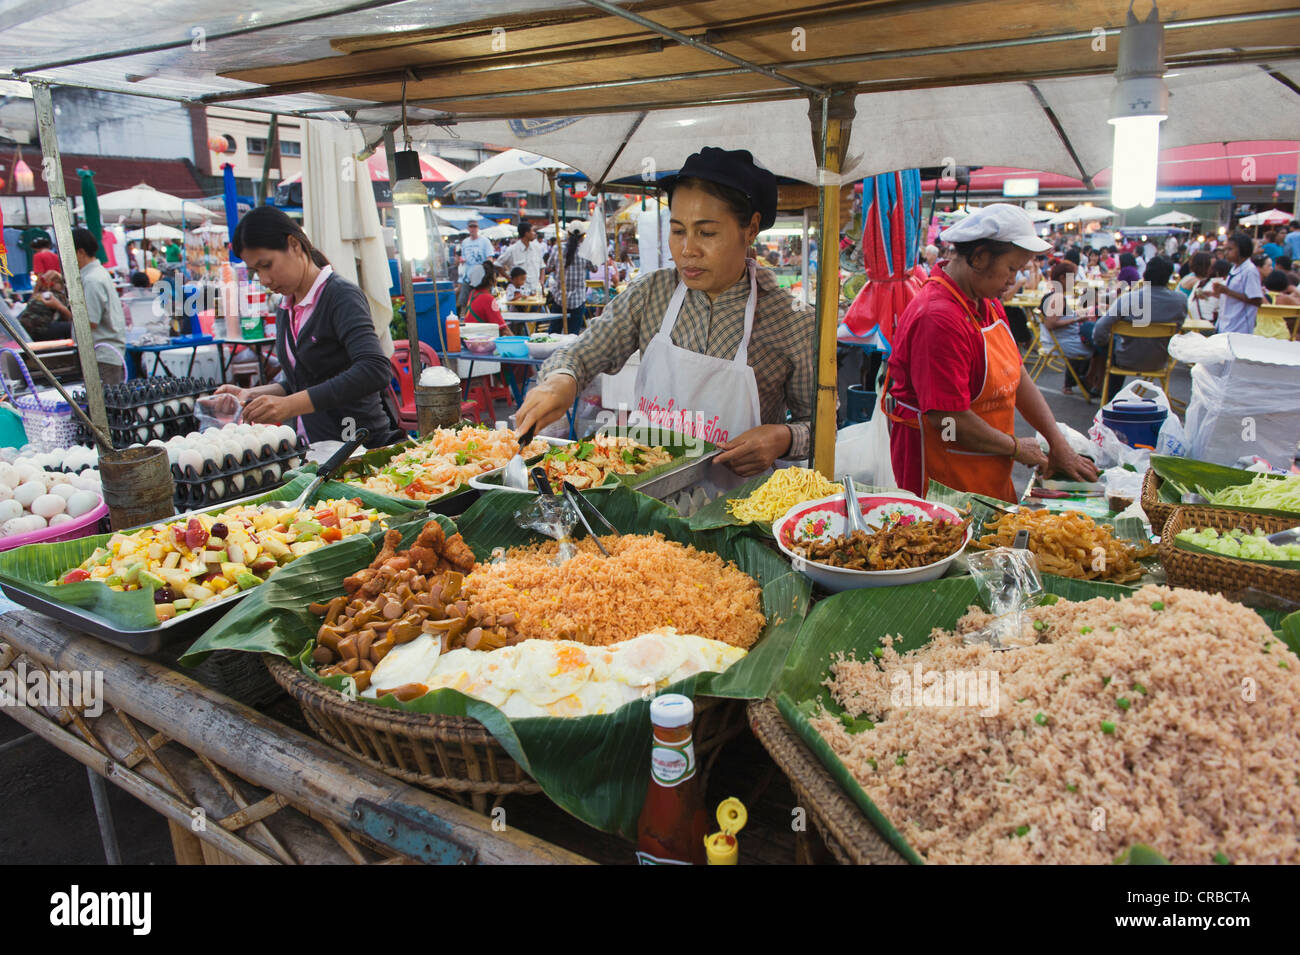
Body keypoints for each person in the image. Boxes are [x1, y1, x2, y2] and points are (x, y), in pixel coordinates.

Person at [515, 146, 814, 481]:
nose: (688, 250)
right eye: (677, 230)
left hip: (737, 512)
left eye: (707, 232)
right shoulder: (652, 293)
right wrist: (561, 381)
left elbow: (820, 426)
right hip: (646, 502)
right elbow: (581, 355)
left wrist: (784, 438)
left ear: (751, 228)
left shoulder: (792, 320)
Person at [885, 204, 1098, 502]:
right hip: (942, 476)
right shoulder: (937, 318)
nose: (1013, 281)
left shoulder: (986, 300)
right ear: (980, 257)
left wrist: (1057, 442)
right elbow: (948, 422)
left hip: (989, 463)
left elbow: (1018, 377)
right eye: (1011, 269)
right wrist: (1015, 447)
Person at [214, 207, 402, 447]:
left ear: (294, 245)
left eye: (267, 265)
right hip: (317, 449)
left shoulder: (340, 296)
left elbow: (374, 369)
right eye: (256, 271)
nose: (264, 280)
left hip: (357, 447)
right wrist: (254, 394)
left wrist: (289, 406)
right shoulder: (286, 307)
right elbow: (303, 381)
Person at [1092, 256, 1185, 401]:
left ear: (1145, 273)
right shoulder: (1180, 300)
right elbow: (1177, 329)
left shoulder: (1129, 298)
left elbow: (1100, 329)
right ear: (1169, 277)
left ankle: (1108, 396)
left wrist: (1104, 343)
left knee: (1094, 332)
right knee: (1112, 343)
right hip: (1159, 360)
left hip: (1126, 358)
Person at [70, 228, 128, 384]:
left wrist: (59, 307)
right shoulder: (96, 274)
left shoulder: (92, 280)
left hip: (102, 356)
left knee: (106, 406)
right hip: (104, 354)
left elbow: (90, 321)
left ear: (80, 252)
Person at [1040, 261, 1100, 397]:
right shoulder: (1058, 297)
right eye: (1073, 277)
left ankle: (1088, 381)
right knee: (1101, 347)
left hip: (1064, 340)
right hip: (1065, 342)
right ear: (1062, 278)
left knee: (1097, 342)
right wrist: (1077, 319)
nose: (1075, 281)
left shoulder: (1054, 295)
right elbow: (1051, 324)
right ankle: (1091, 381)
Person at [1205, 232, 1264, 334]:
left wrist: (1227, 291)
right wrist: (1214, 293)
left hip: (1239, 327)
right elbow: (1233, 295)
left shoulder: (1250, 270)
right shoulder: (1234, 268)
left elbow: (1256, 300)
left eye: (1230, 249)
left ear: (1242, 250)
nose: (1226, 253)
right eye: (1225, 249)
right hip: (1225, 323)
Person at [547, 223, 595, 335]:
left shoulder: (557, 248)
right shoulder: (586, 251)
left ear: (568, 234)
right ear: (583, 236)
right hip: (578, 298)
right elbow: (594, 268)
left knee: (554, 333)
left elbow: (549, 266)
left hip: (559, 297)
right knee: (573, 334)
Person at [18, 271, 72, 340]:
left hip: (25, 330)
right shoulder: (56, 296)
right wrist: (58, 306)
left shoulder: (37, 295)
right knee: (72, 327)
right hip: (40, 330)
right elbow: (68, 317)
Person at [494, 221, 545, 294]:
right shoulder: (512, 250)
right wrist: (510, 279)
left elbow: (542, 267)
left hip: (535, 291)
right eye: (532, 231)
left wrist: (542, 281)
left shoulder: (536, 248)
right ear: (526, 233)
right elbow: (497, 264)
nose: (534, 234)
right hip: (519, 293)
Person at [455, 221, 494, 313]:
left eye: (475, 226)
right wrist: (461, 260)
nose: (473, 229)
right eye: (471, 227)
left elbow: (489, 258)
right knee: (463, 302)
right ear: (468, 228)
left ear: (478, 228)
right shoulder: (465, 242)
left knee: (484, 301)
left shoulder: (485, 241)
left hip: (482, 278)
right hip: (468, 276)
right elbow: (463, 258)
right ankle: (463, 320)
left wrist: (488, 273)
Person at [463, 262, 506, 327]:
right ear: (490, 281)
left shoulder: (473, 293)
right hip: (481, 335)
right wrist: (514, 337)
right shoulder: (488, 298)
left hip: (468, 335)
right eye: (495, 277)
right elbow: (503, 328)